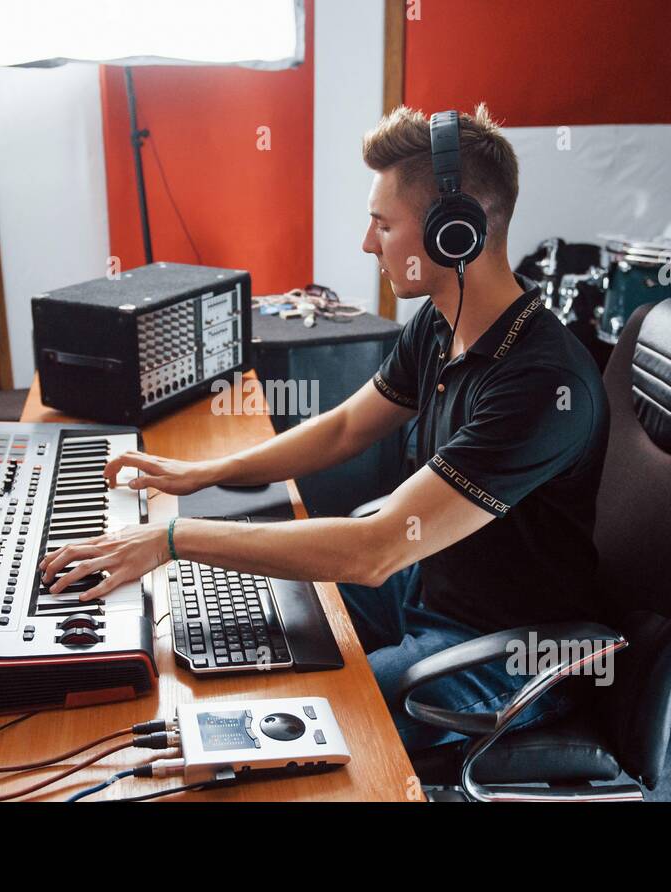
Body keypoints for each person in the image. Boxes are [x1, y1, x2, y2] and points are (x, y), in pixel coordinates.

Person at [40, 104, 609, 752]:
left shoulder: (539, 385)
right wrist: (204, 476)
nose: (368, 244)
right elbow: (343, 429)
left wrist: (171, 539)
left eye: (383, 224)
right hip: (428, 584)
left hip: (508, 648)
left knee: (309, 724)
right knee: (249, 614)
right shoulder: (441, 321)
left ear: (455, 235)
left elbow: (374, 551)